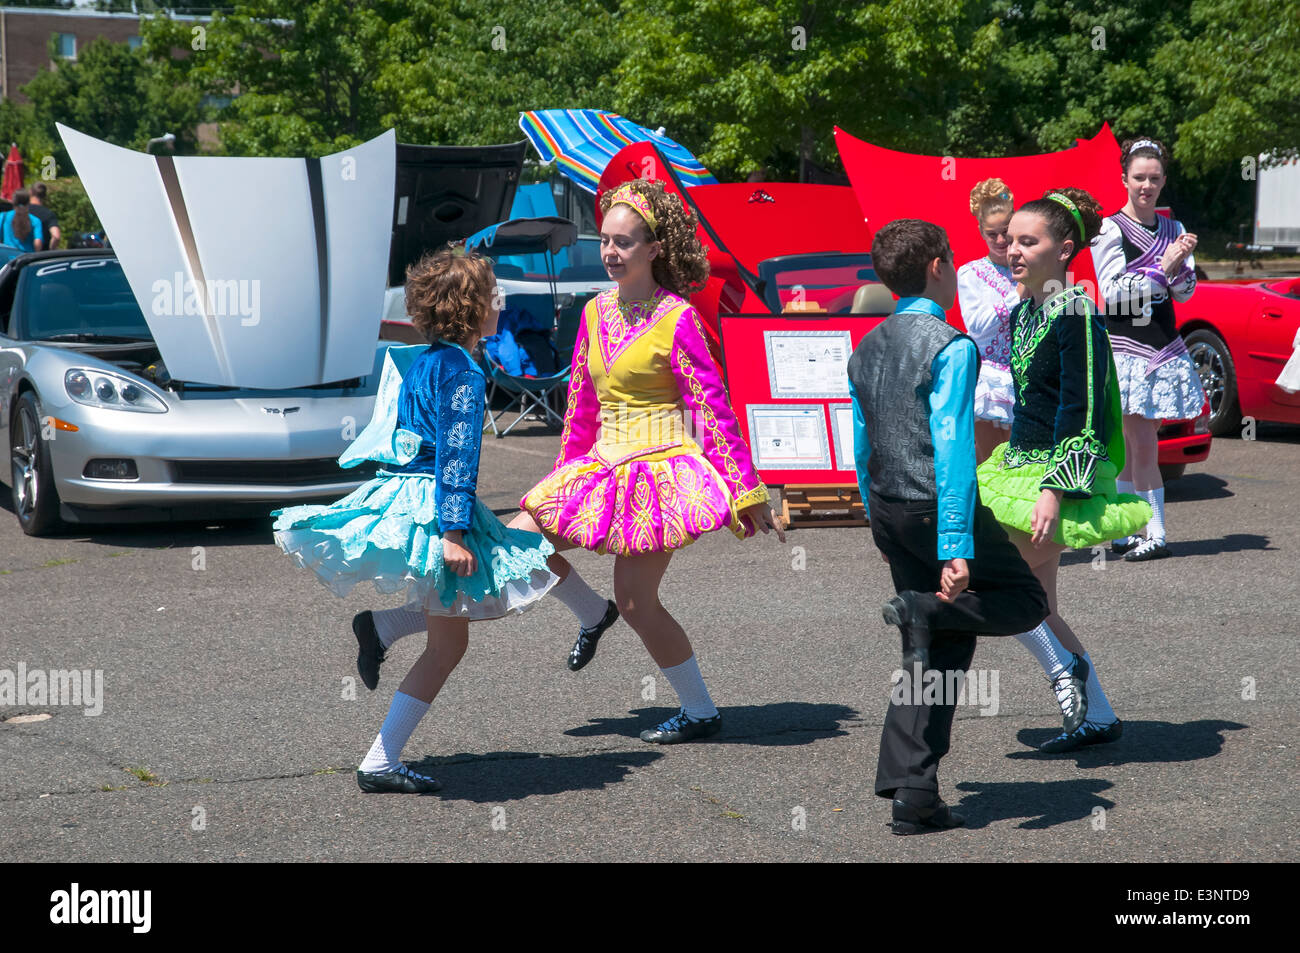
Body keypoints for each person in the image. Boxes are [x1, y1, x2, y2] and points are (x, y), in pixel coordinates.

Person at [270, 248, 559, 793]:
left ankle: (380, 631)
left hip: (408, 494)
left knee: (467, 617)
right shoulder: (465, 375)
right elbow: (456, 455)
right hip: (437, 506)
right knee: (454, 639)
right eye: (492, 294)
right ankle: (379, 760)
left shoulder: (422, 360)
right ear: (472, 308)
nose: (500, 303)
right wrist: (453, 531)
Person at [518, 177, 784, 743]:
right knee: (517, 543)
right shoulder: (593, 313)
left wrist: (747, 491)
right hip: (601, 465)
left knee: (638, 603)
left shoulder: (679, 319)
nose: (610, 253)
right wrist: (564, 477)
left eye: (624, 242)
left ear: (655, 249)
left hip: (659, 471)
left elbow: (713, 413)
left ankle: (699, 710)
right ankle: (592, 612)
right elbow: (581, 409)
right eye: (605, 242)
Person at [850, 219, 1051, 834]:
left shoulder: (866, 347)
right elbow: (953, 450)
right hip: (938, 506)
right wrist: (958, 544)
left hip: (888, 506)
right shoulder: (952, 345)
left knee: (937, 651)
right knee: (1024, 600)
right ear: (938, 267)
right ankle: (926, 607)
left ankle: (916, 792)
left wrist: (878, 519)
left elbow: (861, 447)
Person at [977, 188, 1152, 752]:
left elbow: (1079, 407)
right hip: (1019, 465)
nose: (1013, 250)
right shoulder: (1028, 310)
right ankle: (1097, 716)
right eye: (1009, 240)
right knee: (1040, 604)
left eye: (1029, 241)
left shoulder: (1075, 312)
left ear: (1065, 248)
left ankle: (1065, 674)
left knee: (1002, 588)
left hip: (1053, 477)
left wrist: (1056, 489)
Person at [1094, 137, 1205, 562]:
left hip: (1160, 344)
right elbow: (1111, 294)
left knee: (1141, 441)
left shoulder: (1174, 229)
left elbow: (1186, 294)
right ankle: (1137, 531)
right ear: (1124, 179)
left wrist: (1178, 266)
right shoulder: (1109, 228)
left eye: (1154, 178)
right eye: (1139, 177)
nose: (1146, 185)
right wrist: (1164, 265)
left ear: (1163, 182)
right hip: (1124, 344)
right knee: (1131, 441)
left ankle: (1149, 532)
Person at [956, 178, 1022, 463]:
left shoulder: (1036, 267)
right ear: (980, 232)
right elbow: (978, 327)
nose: (999, 241)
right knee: (990, 467)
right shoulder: (970, 273)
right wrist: (1017, 293)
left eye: (1005, 232)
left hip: (1029, 379)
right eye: (990, 234)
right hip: (990, 379)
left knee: (1025, 470)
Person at [29, 183, 60, 250]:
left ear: (30, 192)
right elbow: (56, 236)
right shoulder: (48, 213)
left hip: (20, 254)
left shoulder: (19, 212)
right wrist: (51, 250)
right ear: (45, 195)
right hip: (41, 256)